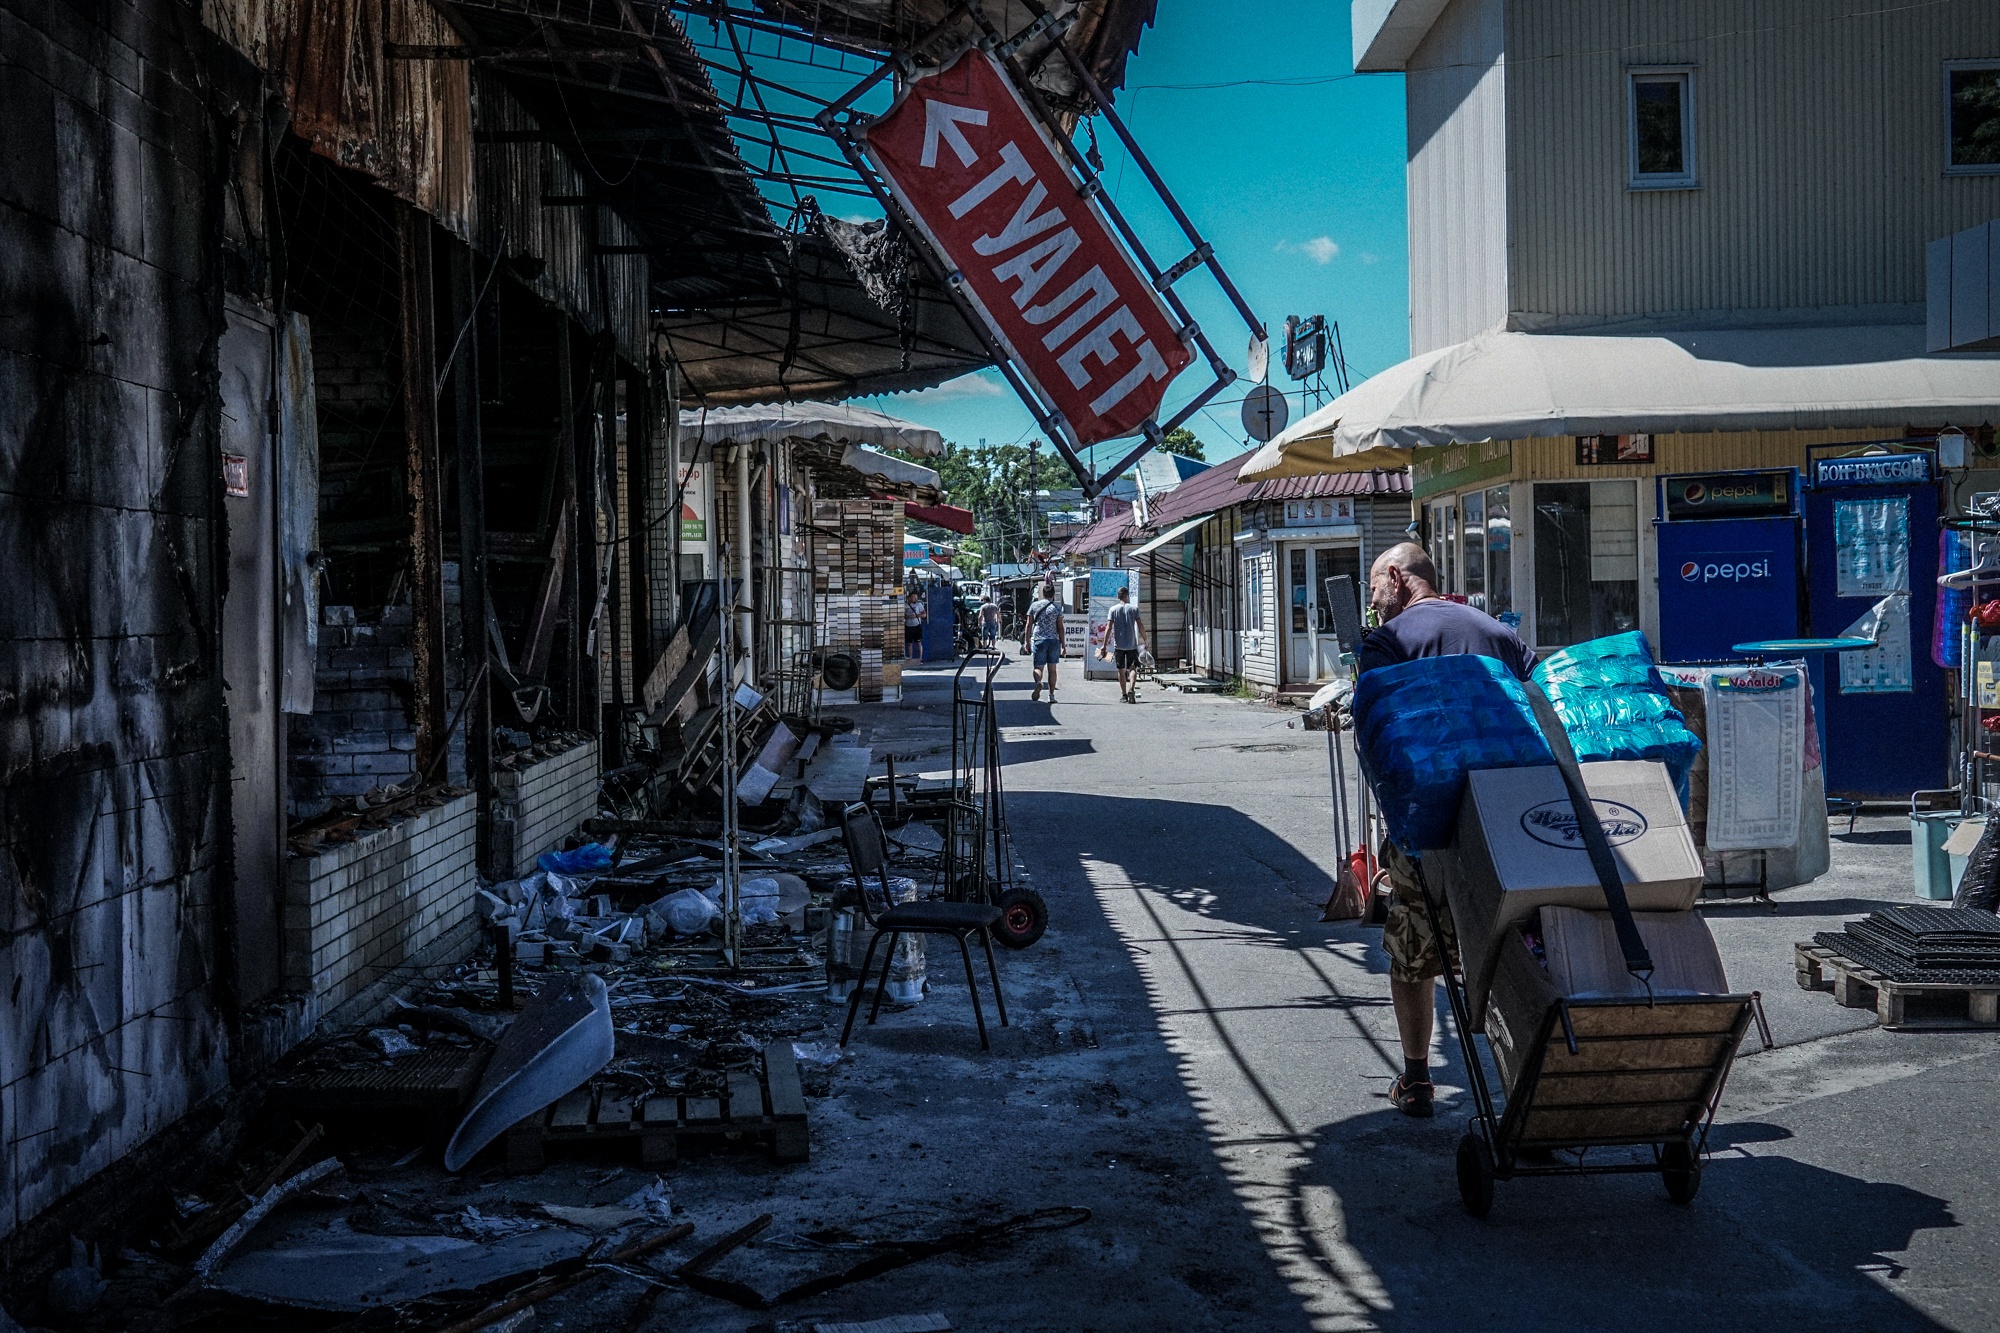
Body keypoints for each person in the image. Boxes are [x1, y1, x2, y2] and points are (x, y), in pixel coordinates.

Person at [1357, 542, 1536, 1119]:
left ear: (1396, 576)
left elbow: (1379, 739)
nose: (1375, 602)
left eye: (1375, 588)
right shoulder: (1501, 635)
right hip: (1512, 819)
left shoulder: (1389, 642)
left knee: (1413, 947)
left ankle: (1416, 1081)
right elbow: (1540, 707)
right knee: (1516, 943)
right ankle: (1531, 1078)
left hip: (1428, 822)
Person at [1098, 584, 1148, 702]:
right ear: (1126, 596)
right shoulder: (1134, 609)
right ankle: (1132, 688)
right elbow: (1140, 625)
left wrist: (1104, 645)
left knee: (1121, 670)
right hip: (1132, 644)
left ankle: (1124, 695)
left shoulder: (1113, 610)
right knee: (1133, 668)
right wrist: (1145, 640)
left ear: (1118, 596)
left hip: (1119, 645)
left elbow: (1108, 627)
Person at [1024, 581, 1066, 702]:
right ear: (1053, 595)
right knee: (1052, 669)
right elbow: (1060, 627)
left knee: (1038, 667)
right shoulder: (1056, 608)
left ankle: (1038, 682)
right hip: (1053, 640)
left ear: (1042, 594)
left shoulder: (1034, 606)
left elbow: (1028, 624)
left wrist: (1027, 641)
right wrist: (1063, 645)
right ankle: (1051, 695)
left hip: (1039, 639)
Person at [904, 586, 927, 661]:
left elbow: (924, 614)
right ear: (909, 598)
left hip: (917, 625)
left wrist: (917, 615)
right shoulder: (905, 605)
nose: (915, 599)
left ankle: (920, 657)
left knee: (918, 642)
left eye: (916, 598)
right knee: (909, 643)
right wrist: (907, 616)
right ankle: (910, 657)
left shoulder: (919, 605)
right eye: (913, 597)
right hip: (908, 625)